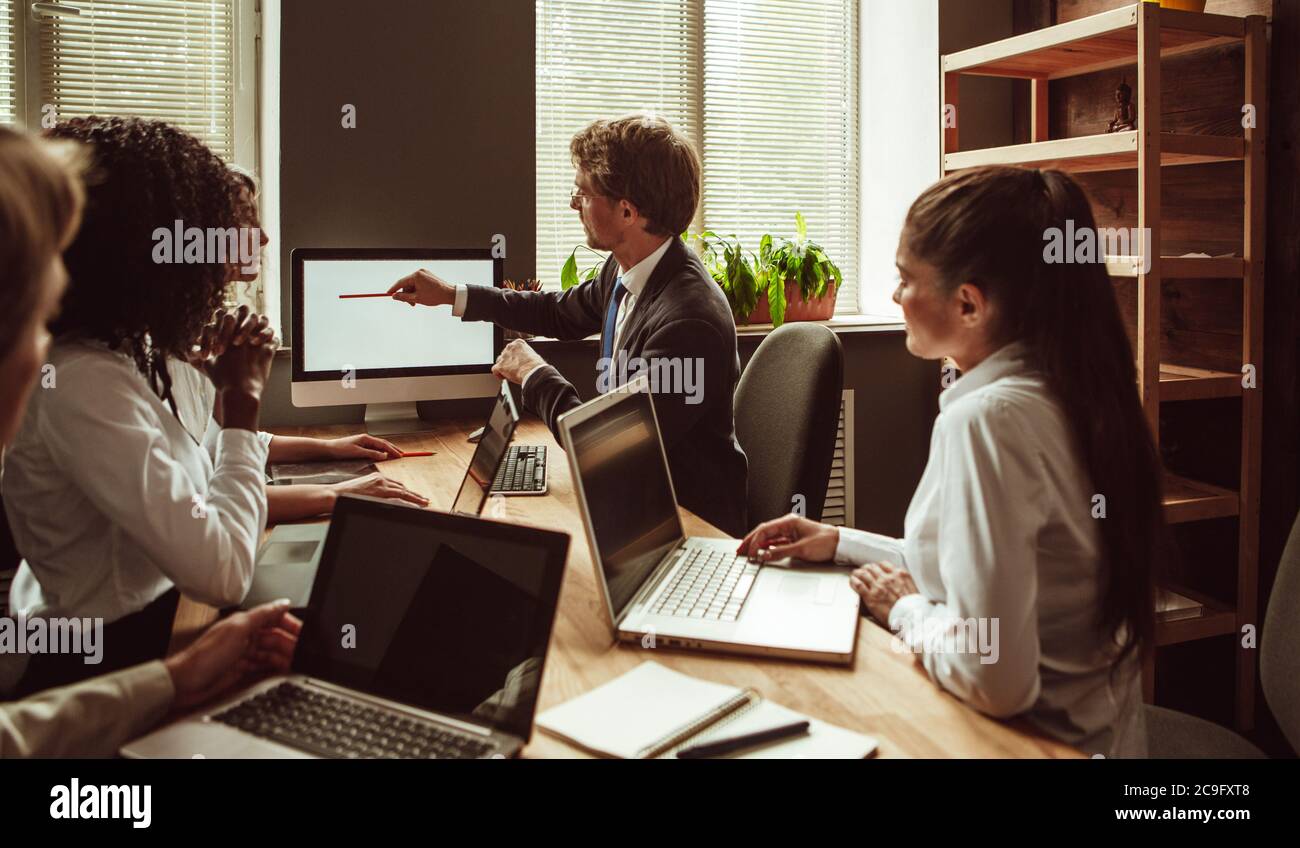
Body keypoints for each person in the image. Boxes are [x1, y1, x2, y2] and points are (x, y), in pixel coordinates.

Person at [737, 166, 1165, 758]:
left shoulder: (989, 421)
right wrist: (837, 541)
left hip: (1020, 742)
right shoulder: (1072, 388)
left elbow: (994, 679)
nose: (894, 295)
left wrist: (905, 608)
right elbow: (972, 573)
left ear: (969, 305)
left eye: (904, 278)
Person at [0, 126, 300, 758]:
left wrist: (203, 374)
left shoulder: (115, 357)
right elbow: (220, 570)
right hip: (97, 660)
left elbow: (188, 480)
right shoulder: (79, 381)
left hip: (129, 645)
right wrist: (242, 408)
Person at [387, 115, 749, 536]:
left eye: (583, 194)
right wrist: (453, 294)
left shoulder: (690, 319)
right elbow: (558, 312)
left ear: (628, 211)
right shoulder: (626, 269)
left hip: (688, 526)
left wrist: (535, 375)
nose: (573, 204)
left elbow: (607, 445)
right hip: (632, 499)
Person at [167, 168, 429, 523]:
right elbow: (204, 502)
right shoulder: (157, 356)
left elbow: (219, 446)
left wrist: (331, 448)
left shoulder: (192, 334)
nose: (263, 237)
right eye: (246, 219)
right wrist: (338, 493)